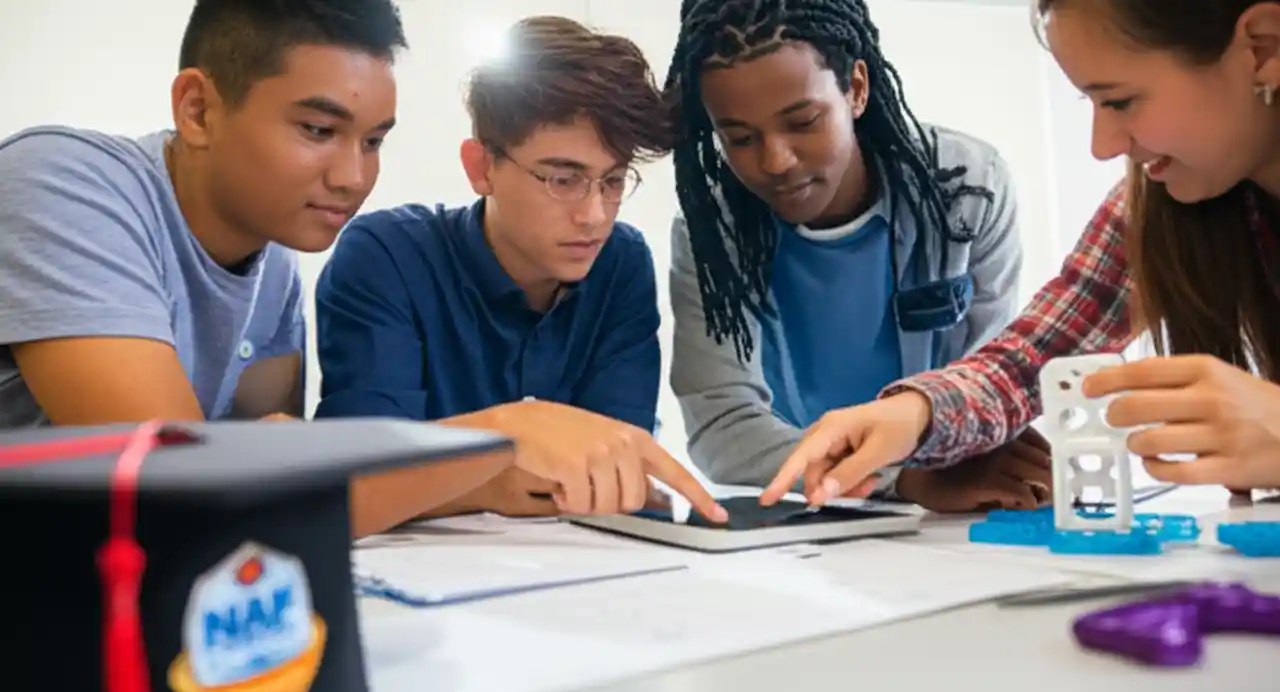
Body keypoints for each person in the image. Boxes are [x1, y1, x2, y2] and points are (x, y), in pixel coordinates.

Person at [0, 0, 725, 534]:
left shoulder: (273, 266)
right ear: (196, 109)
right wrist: (499, 440)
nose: (353, 176)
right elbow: (181, 492)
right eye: (318, 130)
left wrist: (328, 466)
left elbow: (280, 478)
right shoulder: (62, 180)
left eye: (374, 140)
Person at [763, 0, 1280, 507]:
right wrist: (916, 413)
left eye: (1120, 101)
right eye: (1092, 103)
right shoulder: (1157, 205)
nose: (1102, 145)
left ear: (1263, 48)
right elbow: (1034, 357)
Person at [315, 16, 726, 521]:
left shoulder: (619, 262)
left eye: (613, 181)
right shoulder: (386, 256)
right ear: (481, 167)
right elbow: (353, 476)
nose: (594, 215)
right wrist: (504, 450)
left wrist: (455, 472)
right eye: (562, 179)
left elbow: (615, 469)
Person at [665, 0, 1050, 512]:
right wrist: (898, 477)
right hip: (809, 510)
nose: (775, 161)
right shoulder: (713, 233)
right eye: (738, 137)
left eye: (803, 121)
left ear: (858, 88)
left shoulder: (967, 189)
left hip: (945, 509)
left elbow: (986, 382)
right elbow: (722, 428)